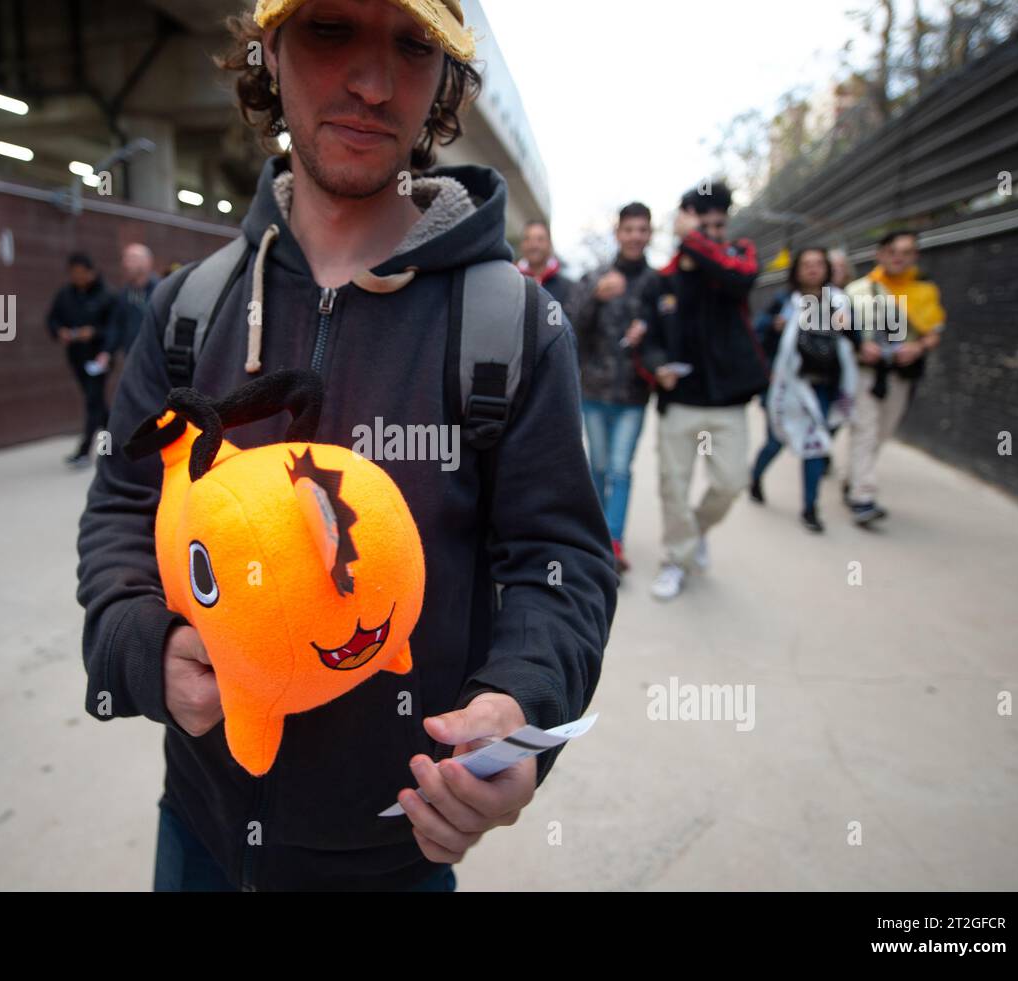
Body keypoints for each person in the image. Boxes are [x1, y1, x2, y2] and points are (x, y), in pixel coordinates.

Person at [76, 0, 616, 892]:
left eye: (411, 45)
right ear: (270, 49)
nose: (372, 84)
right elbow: (126, 507)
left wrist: (523, 702)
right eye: (332, 30)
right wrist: (139, 642)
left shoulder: (512, 324)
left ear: (445, 79)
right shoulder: (187, 309)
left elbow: (559, 558)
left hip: (394, 852)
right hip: (203, 831)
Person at [644, 183, 766, 601]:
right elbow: (648, 336)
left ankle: (694, 532)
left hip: (728, 403)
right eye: (703, 225)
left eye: (718, 225)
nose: (713, 232)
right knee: (672, 486)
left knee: (731, 484)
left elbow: (739, 280)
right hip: (679, 403)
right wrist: (658, 366)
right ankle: (676, 560)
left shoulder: (739, 257)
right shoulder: (663, 279)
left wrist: (692, 238)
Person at [572, 202, 664, 574]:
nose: (635, 236)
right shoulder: (595, 276)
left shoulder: (657, 283)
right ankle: (595, 539)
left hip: (633, 394)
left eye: (642, 230)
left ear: (650, 234)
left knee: (620, 469)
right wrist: (596, 299)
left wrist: (648, 335)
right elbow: (568, 325)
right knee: (597, 466)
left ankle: (613, 542)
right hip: (594, 391)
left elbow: (670, 333)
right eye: (629, 229)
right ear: (618, 233)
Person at [748, 247, 857, 533]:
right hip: (786, 385)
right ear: (797, 270)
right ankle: (755, 476)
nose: (812, 269)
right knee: (776, 441)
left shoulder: (841, 302)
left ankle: (810, 507)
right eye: (806, 264)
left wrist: (848, 327)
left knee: (815, 445)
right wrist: (774, 325)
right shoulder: (785, 301)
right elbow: (758, 334)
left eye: (818, 264)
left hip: (821, 386)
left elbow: (856, 340)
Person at [843, 229, 946, 525]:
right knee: (865, 429)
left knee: (881, 433)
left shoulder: (924, 292)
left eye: (907, 252)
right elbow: (840, 331)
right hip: (864, 373)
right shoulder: (858, 290)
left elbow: (934, 333)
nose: (899, 258)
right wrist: (860, 348)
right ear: (880, 254)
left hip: (899, 375)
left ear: (915, 256)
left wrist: (917, 347)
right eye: (893, 251)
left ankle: (852, 478)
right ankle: (862, 496)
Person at [46, 252, 118, 467]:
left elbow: (114, 328)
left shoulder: (107, 295)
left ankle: (85, 450)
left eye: (80, 273)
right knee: (97, 404)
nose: (77, 277)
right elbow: (52, 319)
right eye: (73, 274)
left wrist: (95, 334)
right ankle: (113, 445)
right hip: (77, 357)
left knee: (93, 402)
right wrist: (60, 331)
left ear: (90, 272)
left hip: (99, 357)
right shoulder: (65, 295)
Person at [96, 243, 160, 371]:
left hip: (158, 360)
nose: (125, 264)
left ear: (147, 262)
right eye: (124, 259)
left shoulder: (161, 291)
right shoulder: (125, 294)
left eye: (132, 258)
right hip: (133, 359)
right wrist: (107, 351)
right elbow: (117, 324)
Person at [517, 219, 575, 308]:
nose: (534, 245)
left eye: (540, 239)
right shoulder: (512, 284)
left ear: (549, 244)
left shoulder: (568, 288)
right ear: (522, 245)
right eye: (528, 239)